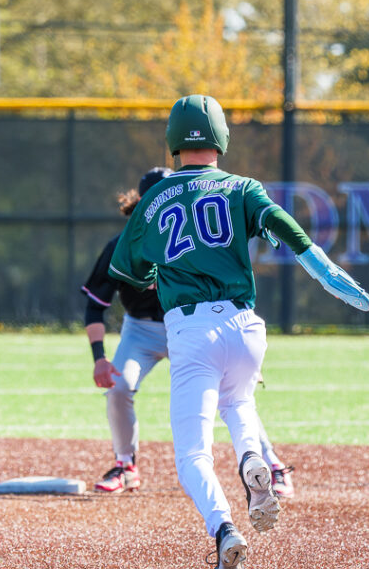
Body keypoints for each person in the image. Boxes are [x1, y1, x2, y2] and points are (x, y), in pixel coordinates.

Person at [108, 95, 369, 569]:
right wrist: (320, 266)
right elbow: (282, 225)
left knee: (192, 456)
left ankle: (225, 530)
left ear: (172, 141)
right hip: (245, 324)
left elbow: (127, 270)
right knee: (240, 401)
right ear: (221, 138)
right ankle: (253, 458)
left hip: (189, 329)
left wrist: (162, 268)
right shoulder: (242, 187)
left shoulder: (154, 200)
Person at [81, 167, 297, 498]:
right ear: (143, 205)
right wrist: (100, 359)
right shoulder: (123, 245)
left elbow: (225, 296)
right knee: (120, 387)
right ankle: (126, 466)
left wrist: (239, 350)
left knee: (234, 395)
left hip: (195, 326)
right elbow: (95, 305)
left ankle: (273, 465)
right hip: (141, 330)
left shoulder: (197, 241)